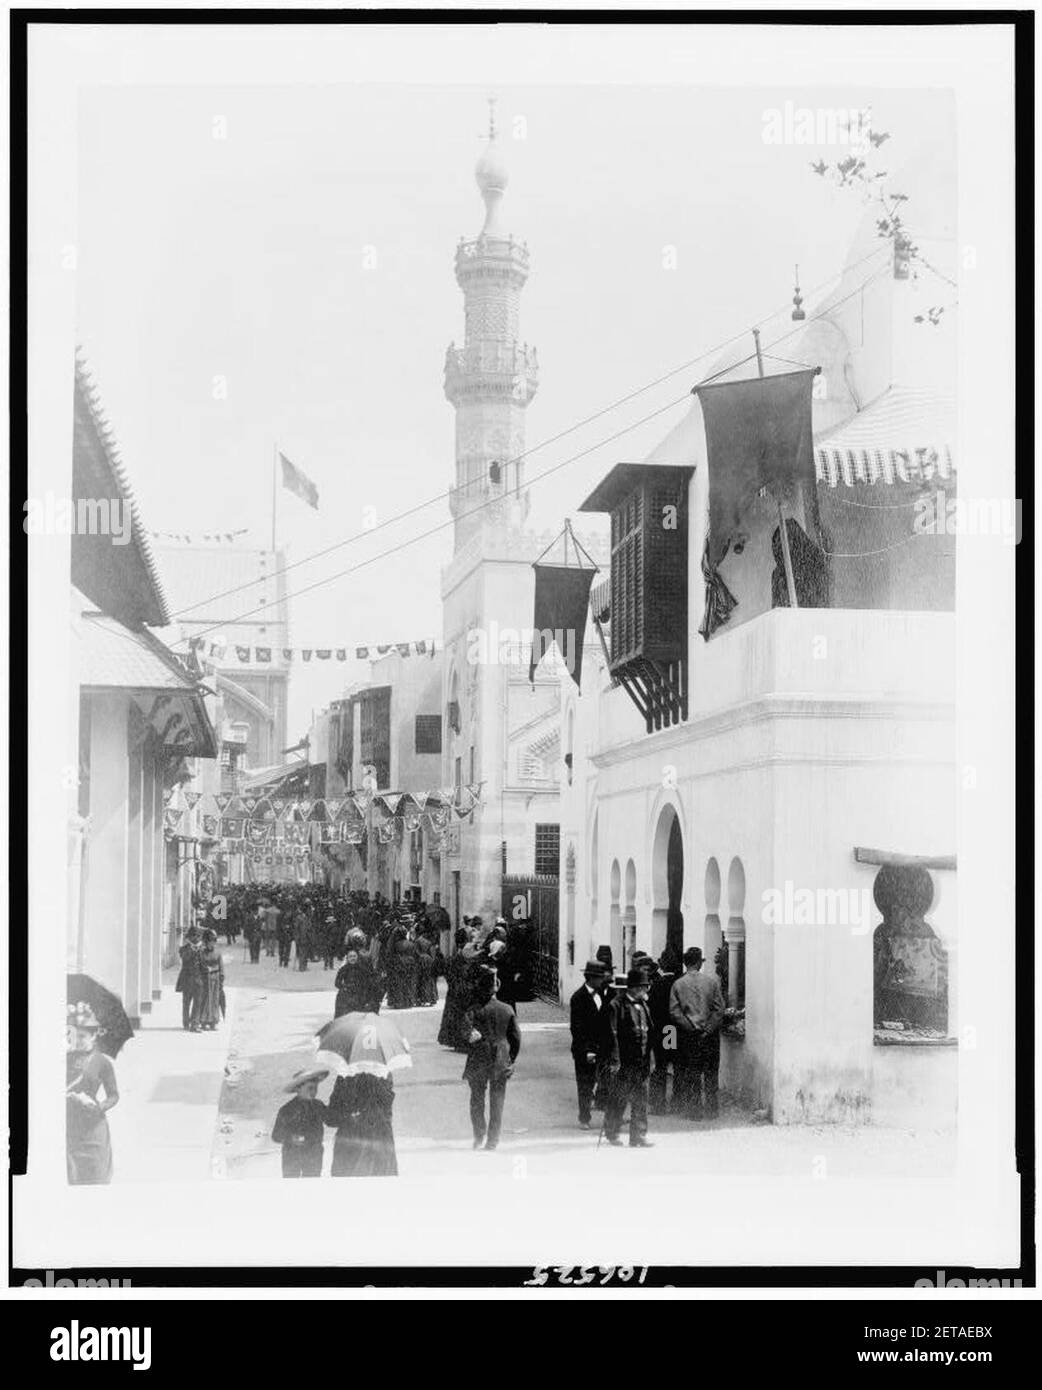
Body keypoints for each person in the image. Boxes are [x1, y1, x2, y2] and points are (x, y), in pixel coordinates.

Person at [463, 966, 521, 1151]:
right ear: (497, 987)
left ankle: (479, 1135)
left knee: (476, 1099)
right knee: (497, 1101)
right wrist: (510, 1058)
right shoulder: (507, 1009)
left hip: (478, 1059)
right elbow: (516, 1038)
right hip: (500, 1059)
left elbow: (463, 1032)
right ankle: (493, 1140)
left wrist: (471, 1037)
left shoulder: (473, 1010)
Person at [600, 968, 655, 1148]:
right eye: (642, 987)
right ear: (632, 988)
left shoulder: (644, 1006)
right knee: (619, 1099)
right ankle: (612, 1133)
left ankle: (638, 1135)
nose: (645, 990)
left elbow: (652, 1033)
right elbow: (611, 1035)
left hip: (642, 1062)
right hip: (624, 1062)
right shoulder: (616, 1006)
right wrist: (615, 1061)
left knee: (641, 1099)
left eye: (646, 987)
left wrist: (652, 1058)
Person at [669, 946, 725, 1120]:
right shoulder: (712, 982)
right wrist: (708, 1028)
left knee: (692, 1073)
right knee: (710, 1073)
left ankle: (694, 1111)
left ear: (686, 963)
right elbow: (719, 1009)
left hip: (689, 1036)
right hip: (710, 1036)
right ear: (699, 963)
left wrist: (689, 1026)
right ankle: (712, 1111)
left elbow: (674, 1011)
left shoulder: (678, 984)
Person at [66, 1004, 119, 1184]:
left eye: (82, 1036)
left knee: (96, 1173)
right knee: (72, 1176)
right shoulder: (64, 1059)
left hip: (93, 1125)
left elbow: (114, 1095)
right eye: (74, 1036)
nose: (78, 1041)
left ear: (94, 1036)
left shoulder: (102, 1062)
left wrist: (99, 1106)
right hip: (70, 1124)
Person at [327, 1072, 398, 1177]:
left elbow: (332, 1118)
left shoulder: (346, 1076)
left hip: (358, 1149)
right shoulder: (382, 1073)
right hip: (369, 1148)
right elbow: (332, 1118)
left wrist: (349, 1116)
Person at [272, 1068, 330, 1178]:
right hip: (292, 1156)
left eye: (316, 1088)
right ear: (298, 1089)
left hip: (314, 1154)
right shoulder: (287, 1110)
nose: (314, 1092)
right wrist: (291, 1138)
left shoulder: (318, 1106)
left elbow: (331, 1120)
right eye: (310, 1088)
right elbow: (276, 1136)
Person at [569, 961, 607, 1129]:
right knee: (585, 1084)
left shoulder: (603, 995)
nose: (602, 980)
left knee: (606, 1082)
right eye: (599, 978)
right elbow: (577, 1028)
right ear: (590, 978)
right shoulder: (578, 998)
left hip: (602, 1046)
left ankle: (611, 1117)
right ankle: (584, 1118)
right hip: (585, 1049)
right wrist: (587, 1050)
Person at [648, 949, 680, 1115]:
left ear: (661, 964)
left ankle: (658, 1104)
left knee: (660, 1065)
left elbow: (650, 1009)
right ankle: (676, 1103)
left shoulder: (657, 985)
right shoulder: (679, 983)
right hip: (674, 1030)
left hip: (660, 1030)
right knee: (675, 1064)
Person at [438, 928, 471, 1050]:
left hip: (453, 991)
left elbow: (446, 973)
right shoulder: (467, 958)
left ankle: (456, 1041)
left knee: (453, 1015)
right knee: (464, 1015)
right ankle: (463, 1040)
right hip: (464, 990)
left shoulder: (451, 960)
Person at [195, 930, 225, 1031]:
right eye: (210, 941)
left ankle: (213, 1022)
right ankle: (204, 1021)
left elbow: (221, 966)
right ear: (206, 941)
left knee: (215, 1000)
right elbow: (201, 965)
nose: (212, 943)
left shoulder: (217, 952)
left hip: (215, 979)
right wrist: (205, 970)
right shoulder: (201, 952)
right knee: (206, 1000)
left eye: (213, 941)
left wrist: (221, 977)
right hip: (205, 979)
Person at [333, 946, 375, 1018]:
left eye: (354, 956)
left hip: (360, 995)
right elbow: (337, 983)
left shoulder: (363, 969)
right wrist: (345, 987)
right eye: (350, 956)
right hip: (348, 995)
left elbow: (368, 982)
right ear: (347, 958)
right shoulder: (343, 969)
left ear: (357, 957)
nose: (353, 958)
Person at [175, 925, 202, 1031]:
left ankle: (195, 1024)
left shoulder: (202, 949)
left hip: (199, 980)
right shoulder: (184, 949)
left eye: (197, 936)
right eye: (193, 936)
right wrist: (193, 949)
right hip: (187, 980)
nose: (195, 938)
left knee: (197, 1003)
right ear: (189, 938)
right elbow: (185, 958)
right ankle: (186, 1023)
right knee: (186, 1003)